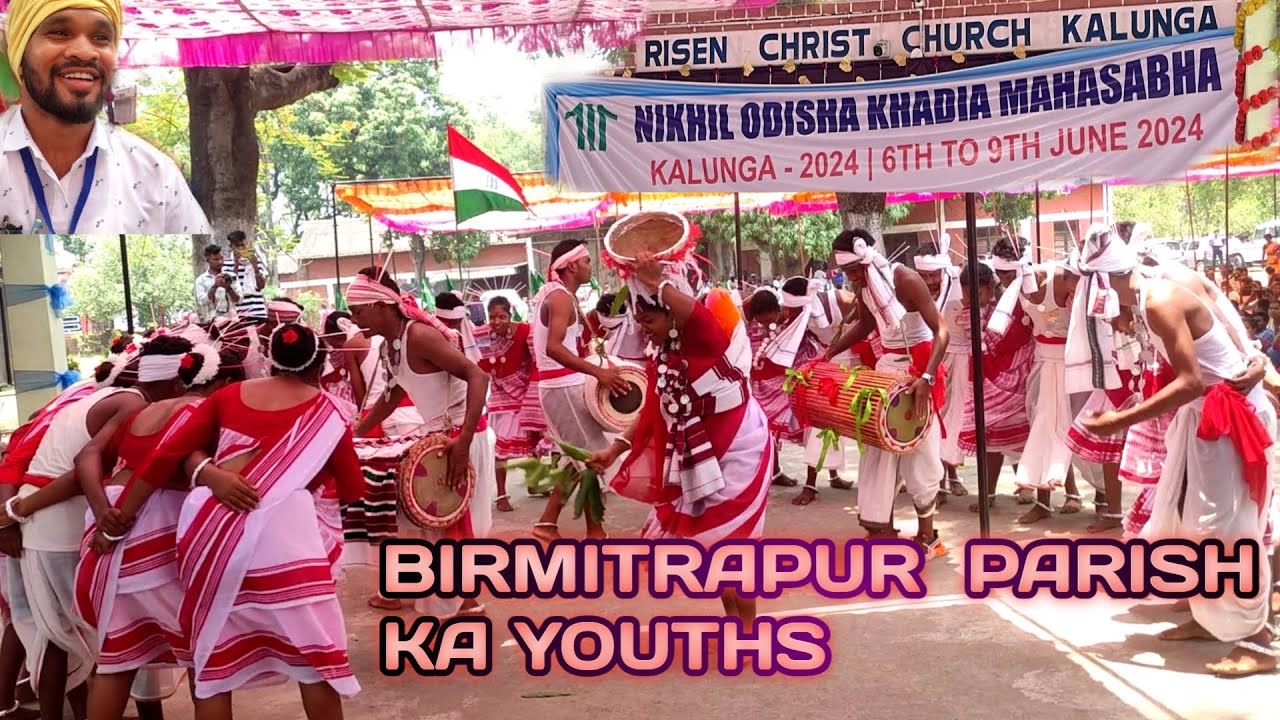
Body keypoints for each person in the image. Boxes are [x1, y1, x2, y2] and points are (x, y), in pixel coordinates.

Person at [131, 323, 363, 715]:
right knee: (316, 664)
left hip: (215, 542)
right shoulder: (329, 413)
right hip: (289, 548)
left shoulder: (226, 396)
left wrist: (122, 515)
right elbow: (353, 488)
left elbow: (168, 453)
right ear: (318, 366)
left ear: (270, 360)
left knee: (213, 668)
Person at [1076, 232, 1276, 678]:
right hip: (1206, 415)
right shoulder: (1149, 295)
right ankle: (1210, 618)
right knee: (1186, 517)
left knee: (1223, 529)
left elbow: (1191, 381)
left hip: (1229, 416)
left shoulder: (1159, 300)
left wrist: (1119, 420)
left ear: (1104, 281)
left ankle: (1257, 641)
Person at [0, 336, 191, 720]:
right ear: (175, 383)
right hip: (58, 520)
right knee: (93, 631)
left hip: (44, 522)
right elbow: (83, 469)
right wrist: (20, 511)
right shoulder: (135, 405)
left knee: (62, 634)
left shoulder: (96, 398)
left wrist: (17, 511)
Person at [591, 253, 772, 624]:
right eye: (639, 322)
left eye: (650, 320)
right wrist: (616, 448)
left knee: (736, 545)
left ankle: (749, 630)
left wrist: (656, 281)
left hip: (740, 447)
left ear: (673, 315)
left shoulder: (707, 336)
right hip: (699, 454)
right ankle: (734, 623)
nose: (644, 330)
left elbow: (695, 315)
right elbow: (654, 410)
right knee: (713, 550)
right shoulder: (663, 355)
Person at [73, 345, 245, 720]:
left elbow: (86, 456)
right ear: (222, 383)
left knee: (118, 660)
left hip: (109, 529)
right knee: (206, 657)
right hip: (153, 534)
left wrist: (105, 513)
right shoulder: (202, 411)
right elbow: (172, 458)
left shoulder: (143, 411)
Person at [347, 269, 494, 619]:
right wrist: (358, 431)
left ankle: (463, 602)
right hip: (440, 439)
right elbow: (393, 393)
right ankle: (457, 598)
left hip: (463, 436)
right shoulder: (390, 345)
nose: (354, 320)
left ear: (382, 306)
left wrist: (463, 441)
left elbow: (479, 376)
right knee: (429, 522)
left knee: (449, 524)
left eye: (359, 311)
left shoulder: (419, 336)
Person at [0, 0, 209, 234]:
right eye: (59, 33)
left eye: (100, 38)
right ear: (20, 57)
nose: (85, 52)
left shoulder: (157, 175)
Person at [824, 229, 949, 554]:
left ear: (865, 260)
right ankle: (883, 529)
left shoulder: (905, 278)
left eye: (854, 270)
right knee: (879, 452)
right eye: (847, 272)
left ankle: (928, 536)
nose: (851, 278)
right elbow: (867, 326)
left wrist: (926, 378)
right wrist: (830, 352)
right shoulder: (864, 285)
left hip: (918, 373)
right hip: (886, 374)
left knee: (919, 454)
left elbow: (942, 331)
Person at [527, 241, 628, 543]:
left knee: (575, 461)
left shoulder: (560, 295)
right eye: (586, 261)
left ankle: (547, 524)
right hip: (562, 388)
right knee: (590, 460)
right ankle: (595, 533)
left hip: (562, 386)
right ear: (571, 266)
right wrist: (599, 373)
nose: (589, 266)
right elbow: (554, 348)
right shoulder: (559, 298)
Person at [989, 239, 1086, 522]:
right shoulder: (1012, 291)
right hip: (1041, 364)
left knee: (1079, 428)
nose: (1006, 281)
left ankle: (1101, 498)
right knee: (1042, 429)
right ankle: (1044, 502)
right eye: (1001, 276)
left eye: (1009, 275)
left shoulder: (1062, 278)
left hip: (1072, 365)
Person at [749, 278, 845, 505]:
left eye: (768, 319)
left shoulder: (806, 316)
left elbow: (828, 337)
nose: (765, 324)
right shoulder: (756, 318)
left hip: (804, 381)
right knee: (767, 430)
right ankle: (775, 473)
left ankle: (815, 483)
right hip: (769, 387)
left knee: (815, 427)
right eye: (760, 321)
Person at [955, 261, 1033, 511]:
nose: (972, 300)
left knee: (1023, 434)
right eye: (967, 294)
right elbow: (976, 342)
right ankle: (988, 493)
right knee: (990, 439)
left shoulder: (1007, 307)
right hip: (984, 378)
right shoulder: (969, 312)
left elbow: (1015, 339)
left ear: (989, 287)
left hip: (1012, 377)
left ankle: (1026, 484)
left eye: (977, 293)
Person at [915, 251, 968, 499]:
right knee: (936, 421)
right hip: (931, 363)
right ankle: (939, 483)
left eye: (933, 275)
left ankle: (952, 475)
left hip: (962, 363)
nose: (929, 282)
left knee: (955, 421)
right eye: (923, 276)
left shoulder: (960, 286)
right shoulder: (915, 291)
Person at [479, 296, 537, 513]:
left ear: (510, 315)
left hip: (525, 391)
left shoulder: (524, 331)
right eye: (492, 317)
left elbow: (535, 360)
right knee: (500, 449)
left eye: (502, 317)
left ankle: (533, 482)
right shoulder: (482, 335)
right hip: (500, 395)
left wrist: (534, 392)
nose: (497, 322)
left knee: (534, 440)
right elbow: (480, 361)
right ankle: (502, 495)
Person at [221, 232, 267, 323]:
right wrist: (236, 264)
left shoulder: (256, 261)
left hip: (258, 311)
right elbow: (230, 286)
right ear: (231, 247)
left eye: (243, 245)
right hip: (239, 312)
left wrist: (255, 266)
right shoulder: (226, 264)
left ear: (247, 244)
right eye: (237, 246)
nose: (241, 248)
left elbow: (261, 286)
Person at [194, 245, 238, 324]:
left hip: (232, 321)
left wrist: (228, 288)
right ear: (207, 260)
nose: (220, 262)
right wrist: (214, 286)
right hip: (211, 322)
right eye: (216, 259)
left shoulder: (231, 276)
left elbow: (238, 300)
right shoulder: (201, 280)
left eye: (221, 258)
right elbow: (202, 301)